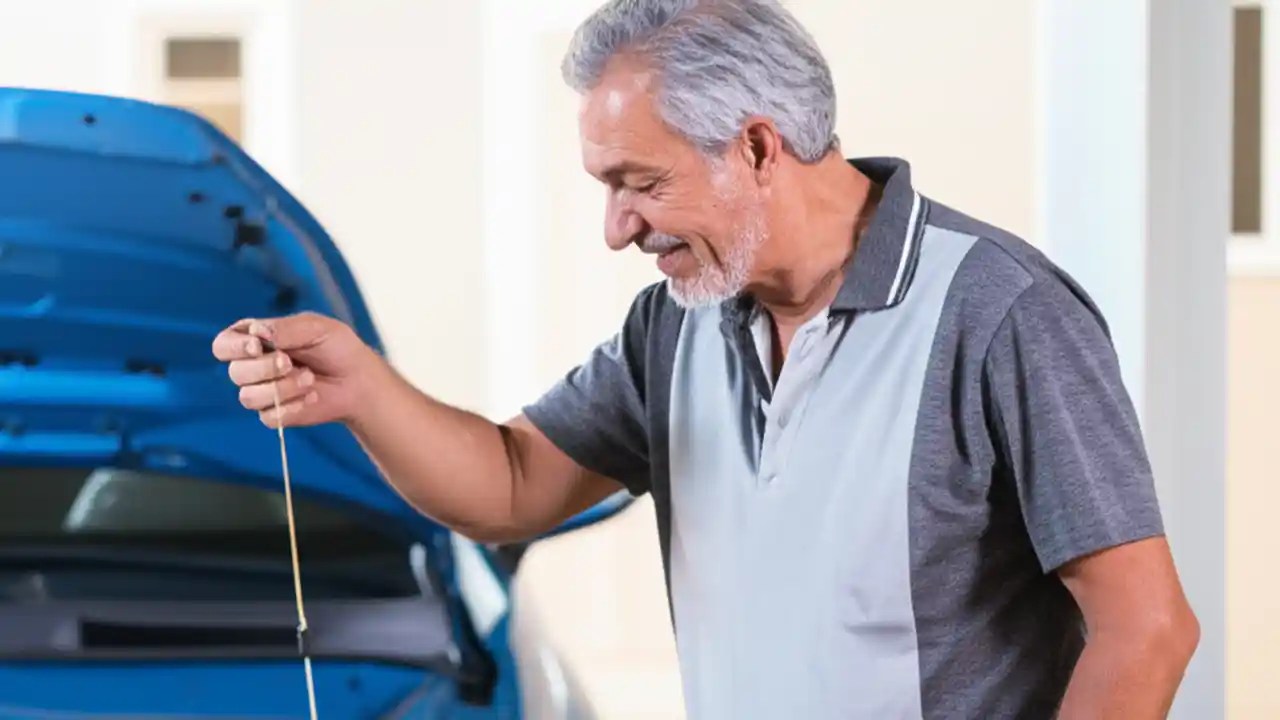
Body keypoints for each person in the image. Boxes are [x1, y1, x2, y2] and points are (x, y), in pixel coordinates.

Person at [212, 0, 1200, 717]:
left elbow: (1145, 626)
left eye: (639, 183)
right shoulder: (674, 328)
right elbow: (509, 485)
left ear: (759, 147)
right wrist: (364, 390)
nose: (615, 228)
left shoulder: (997, 312)